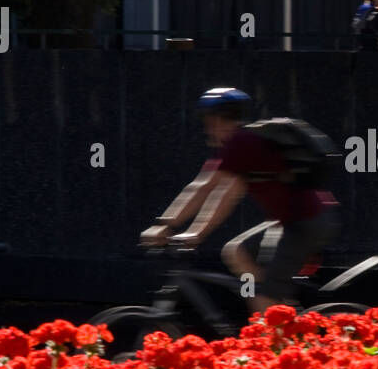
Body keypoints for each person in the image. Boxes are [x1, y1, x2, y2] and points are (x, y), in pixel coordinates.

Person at [140, 88, 339, 314]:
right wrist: (166, 224)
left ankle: (273, 313)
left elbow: (223, 195)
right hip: (289, 221)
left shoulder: (243, 142)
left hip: (307, 223)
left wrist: (192, 233)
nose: (207, 130)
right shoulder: (237, 147)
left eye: (208, 122)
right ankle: (281, 305)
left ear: (215, 120)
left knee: (263, 298)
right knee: (236, 252)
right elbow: (201, 187)